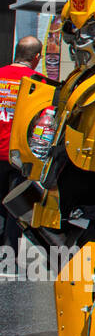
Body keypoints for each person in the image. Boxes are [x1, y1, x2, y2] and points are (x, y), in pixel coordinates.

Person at [0, 37, 41, 264]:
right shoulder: (40, 83)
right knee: (15, 205)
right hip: (20, 155)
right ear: (36, 58)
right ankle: (8, 254)